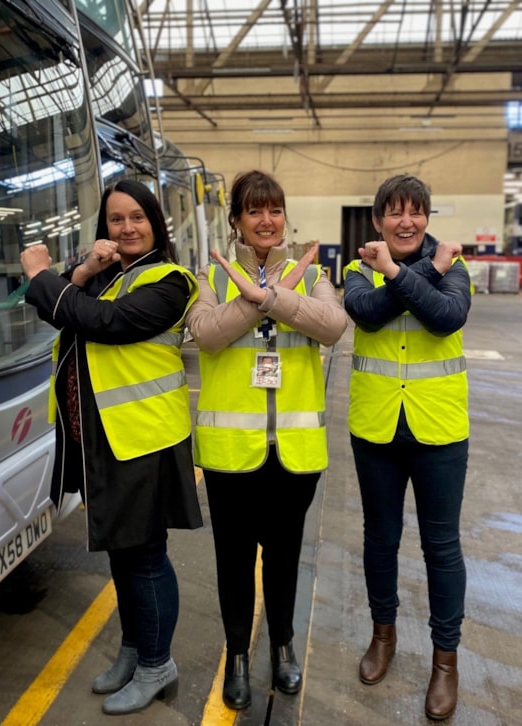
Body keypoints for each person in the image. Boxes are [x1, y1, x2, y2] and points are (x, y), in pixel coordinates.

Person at [19, 179, 202, 717]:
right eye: (116, 220)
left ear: (155, 223)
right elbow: (65, 311)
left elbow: (105, 323)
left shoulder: (169, 281)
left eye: (137, 218)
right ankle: (134, 648)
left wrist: (40, 275)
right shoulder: (109, 277)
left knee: (145, 557)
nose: (126, 228)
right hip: (101, 438)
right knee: (123, 555)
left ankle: (157, 664)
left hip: (143, 439)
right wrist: (79, 274)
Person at [186, 170, 348, 709]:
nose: (266, 220)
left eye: (274, 210)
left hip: (294, 453)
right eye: (254, 211)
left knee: (284, 558)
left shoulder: (312, 274)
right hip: (232, 456)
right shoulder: (208, 276)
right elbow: (206, 334)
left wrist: (274, 295)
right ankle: (236, 655)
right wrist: (253, 300)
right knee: (233, 561)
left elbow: (332, 325)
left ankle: (282, 648)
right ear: (235, 220)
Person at [342, 173, 472, 721]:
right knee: (381, 538)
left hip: (438, 429)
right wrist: (425, 270)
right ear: (377, 220)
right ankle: (383, 635)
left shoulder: (456, 268)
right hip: (376, 426)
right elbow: (367, 312)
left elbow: (446, 319)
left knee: (441, 548)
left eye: (415, 212)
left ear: (426, 216)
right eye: (394, 212)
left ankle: (446, 661)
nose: (405, 221)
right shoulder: (353, 271)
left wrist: (395, 271)